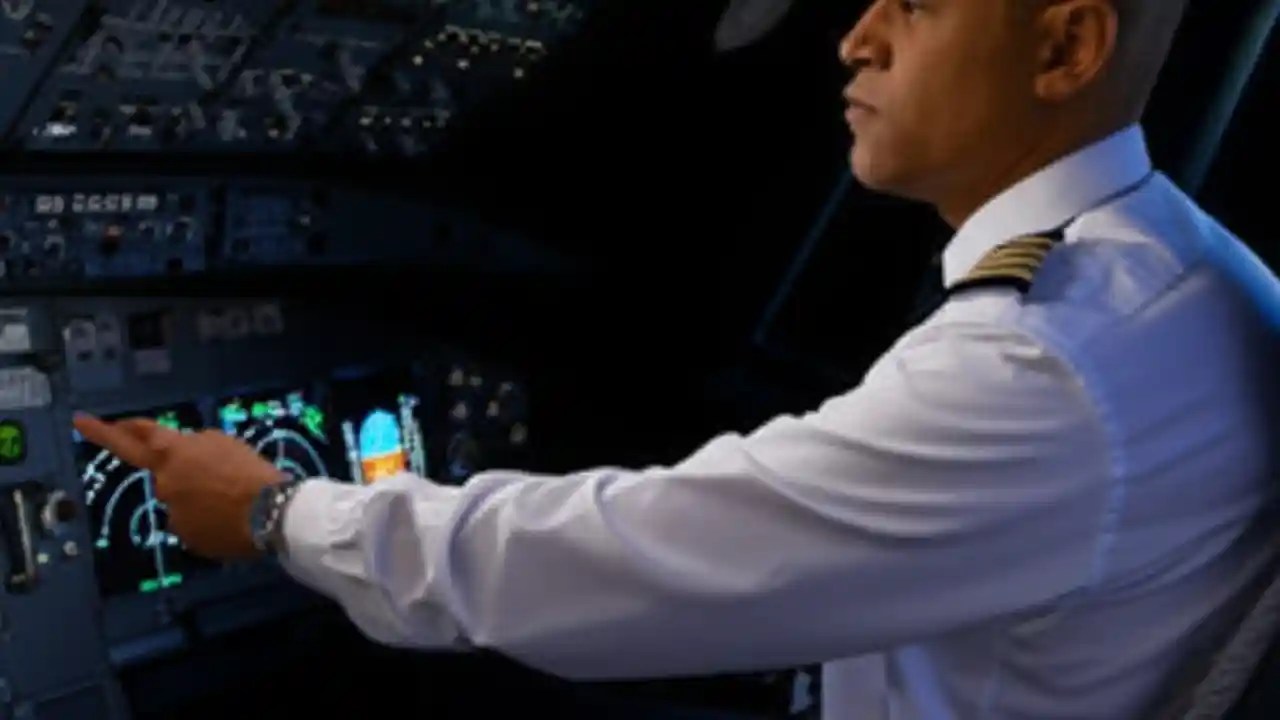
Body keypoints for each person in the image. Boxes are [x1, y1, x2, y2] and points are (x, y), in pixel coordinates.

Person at [74, 0, 1280, 717]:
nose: (852, 39)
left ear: (1063, 48)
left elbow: (602, 562)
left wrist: (276, 510)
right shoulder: (1174, 268)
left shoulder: (1046, 366)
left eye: (913, 1)